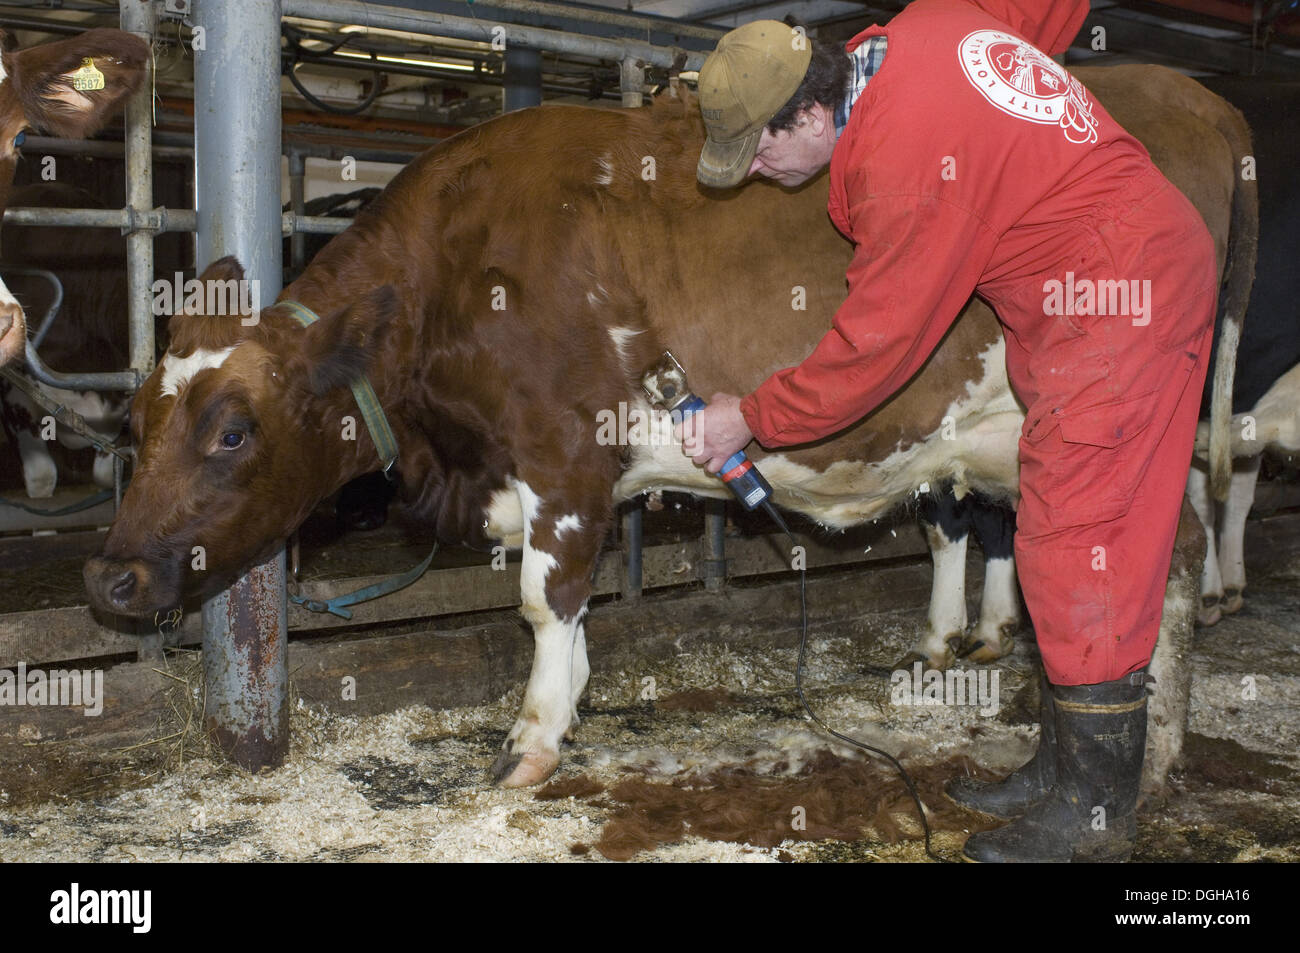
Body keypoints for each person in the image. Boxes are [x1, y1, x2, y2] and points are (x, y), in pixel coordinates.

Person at [681, 0, 1218, 863]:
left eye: (762, 150)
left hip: (1122, 297)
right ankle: (1060, 770)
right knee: (1054, 526)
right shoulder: (919, 29)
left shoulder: (904, 172)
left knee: (1081, 541)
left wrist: (748, 416)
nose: (754, 173)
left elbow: (873, 353)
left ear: (814, 112)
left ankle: (1095, 812)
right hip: (1093, 287)